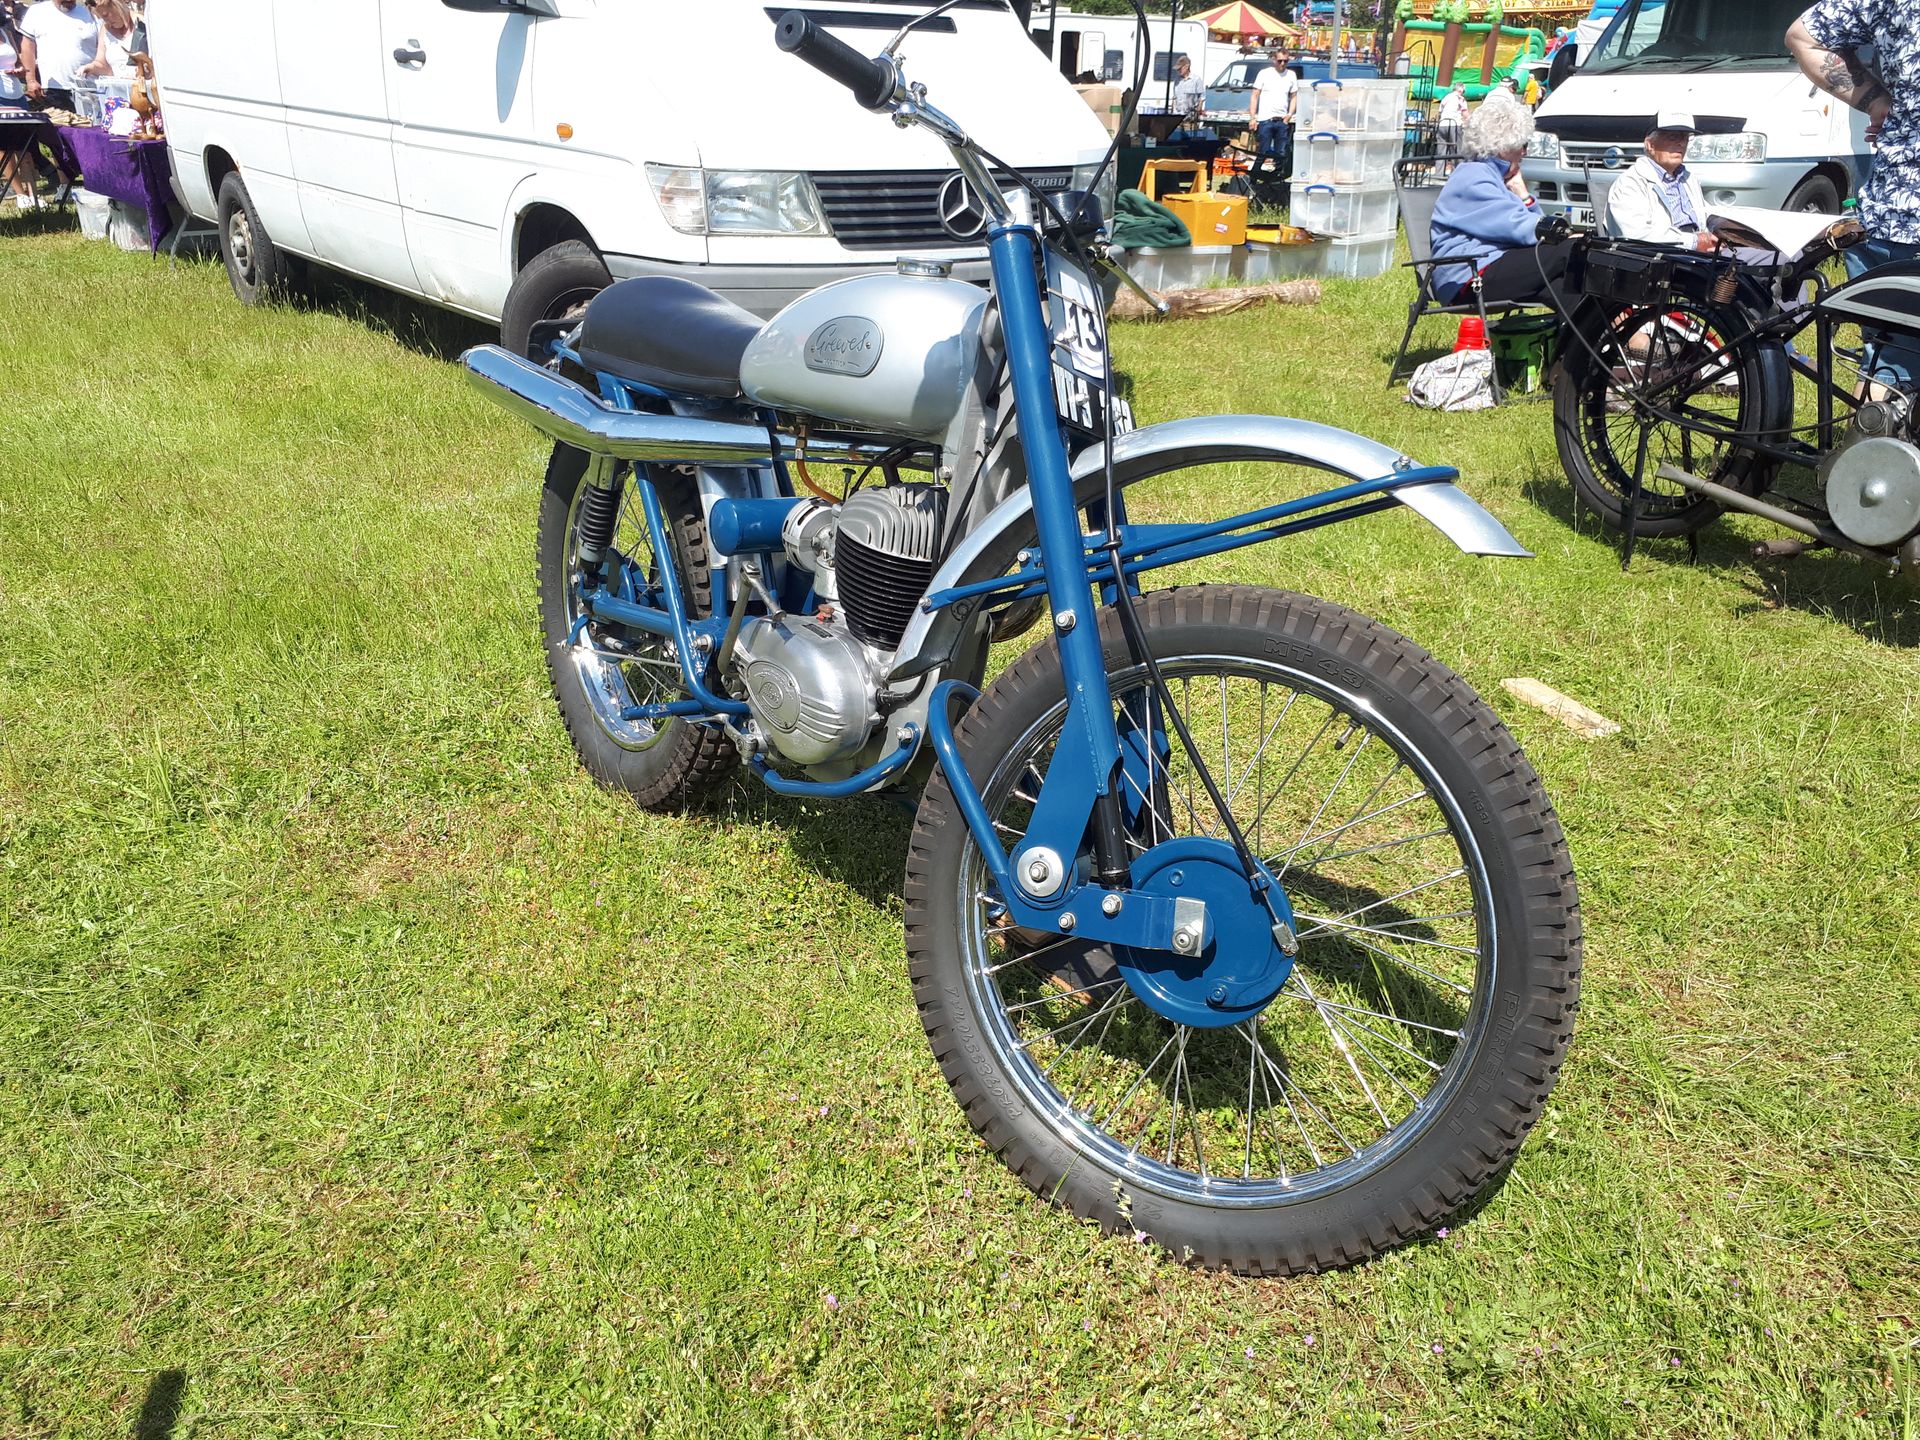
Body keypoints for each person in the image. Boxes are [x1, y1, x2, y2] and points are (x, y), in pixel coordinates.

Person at [1788, 0, 1917, 381]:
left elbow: (1803, 36)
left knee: (1888, 375)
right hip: (1900, 224)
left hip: (1893, 214)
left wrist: (1875, 101)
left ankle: (1873, 436)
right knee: (1891, 374)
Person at [1429, 89, 1573, 306]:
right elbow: (1517, 227)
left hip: (1494, 265)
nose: (1525, 152)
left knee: (1570, 290)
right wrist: (1561, 235)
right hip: (1468, 276)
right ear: (1503, 147)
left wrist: (1523, 195)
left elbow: (1528, 225)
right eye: (1523, 144)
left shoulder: (1497, 178)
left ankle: (1617, 339)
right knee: (1570, 251)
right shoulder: (1472, 175)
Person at [1602, 111, 1720, 253]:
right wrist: (1694, 242)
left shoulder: (1688, 178)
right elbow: (1636, 235)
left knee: (1752, 253)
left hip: (1701, 253)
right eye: (1673, 137)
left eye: (1685, 138)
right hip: (1663, 260)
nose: (1681, 143)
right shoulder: (1630, 183)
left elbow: (1706, 216)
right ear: (1650, 145)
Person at [16, 0, 95, 110]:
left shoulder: (89, 14)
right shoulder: (37, 12)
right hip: (55, 88)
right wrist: (31, 80)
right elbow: (27, 47)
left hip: (89, 88)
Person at [1249, 49, 1296, 188]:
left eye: (1285, 61)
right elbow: (1255, 95)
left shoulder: (1291, 75)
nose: (1282, 64)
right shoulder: (1265, 74)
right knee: (1263, 151)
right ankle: (1254, 178)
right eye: (1280, 60)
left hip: (1281, 120)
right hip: (1265, 119)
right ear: (1274, 60)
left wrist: (1289, 115)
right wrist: (1253, 117)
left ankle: (1276, 181)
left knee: (1281, 153)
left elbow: (1294, 96)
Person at [82, 0, 134, 79]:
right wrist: (91, 67)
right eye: (102, 18)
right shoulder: (105, 29)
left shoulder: (141, 22)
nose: (107, 22)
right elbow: (102, 64)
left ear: (116, 5)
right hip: (118, 88)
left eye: (106, 15)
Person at [1171, 53, 1205, 133]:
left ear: (1187, 67)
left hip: (1190, 120)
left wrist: (1197, 112)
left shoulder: (1196, 80)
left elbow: (1202, 97)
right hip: (1177, 119)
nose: (1178, 70)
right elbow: (1174, 97)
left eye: (1180, 68)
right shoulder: (1177, 81)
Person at [1436, 82, 1468, 160]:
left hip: (1442, 124)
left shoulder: (1446, 97)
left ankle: (1439, 171)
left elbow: (1439, 112)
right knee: (1456, 151)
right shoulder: (1461, 99)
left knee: (1441, 152)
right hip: (1454, 125)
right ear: (1461, 91)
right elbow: (1465, 114)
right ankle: (1457, 170)